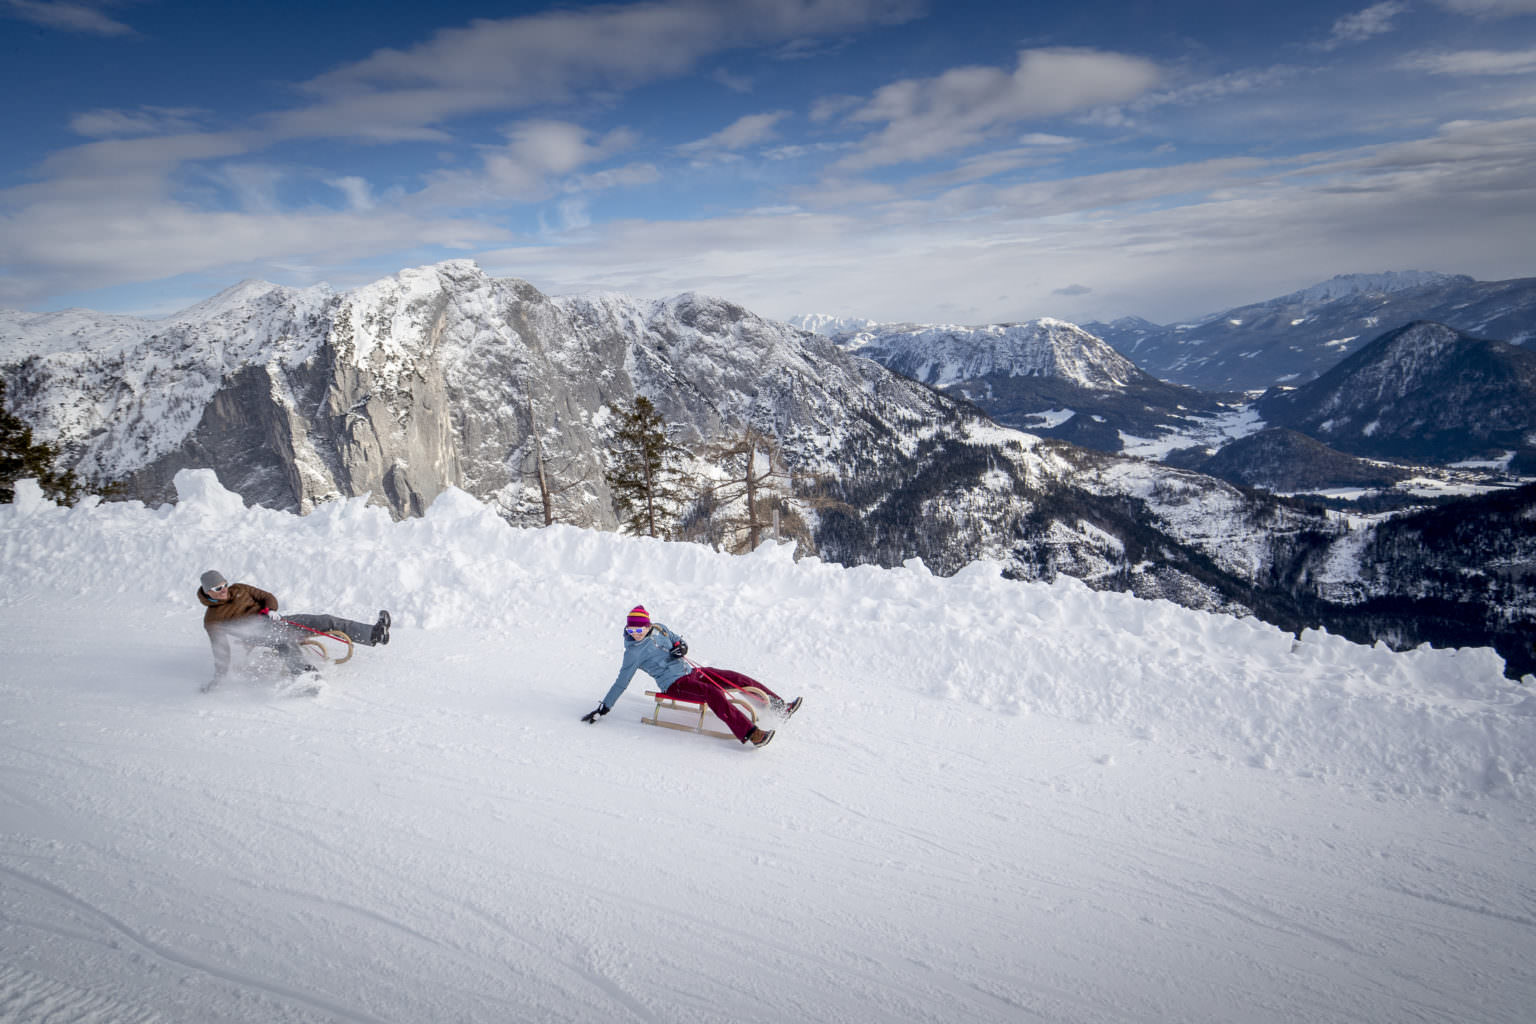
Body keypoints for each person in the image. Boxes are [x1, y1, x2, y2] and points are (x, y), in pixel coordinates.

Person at [580, 605, 801, 747]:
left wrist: (681, 647)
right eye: (631, 631)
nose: (635, 634)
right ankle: (751, 734)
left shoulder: (660, 629)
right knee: (712, 693)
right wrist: (604, 708)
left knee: (733, 676)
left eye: (640, 630)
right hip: (675, 684)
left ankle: (778, 706)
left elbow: (678, 640)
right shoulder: (633, 653)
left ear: (648, 626)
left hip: (692, 671)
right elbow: (621, 683)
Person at [196, 569, 390, 691]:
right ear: (207, 592)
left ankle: (374, 634)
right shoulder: (213, 619)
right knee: (283, 641)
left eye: (224, 585)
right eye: (217, 588)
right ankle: (308, 676)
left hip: (274, 619)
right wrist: (219, 678)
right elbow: (220, 649)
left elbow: (266, 596)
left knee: (325, 620)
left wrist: (270, 609)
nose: (224, 590)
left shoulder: (239, 588)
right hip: (257, 635)